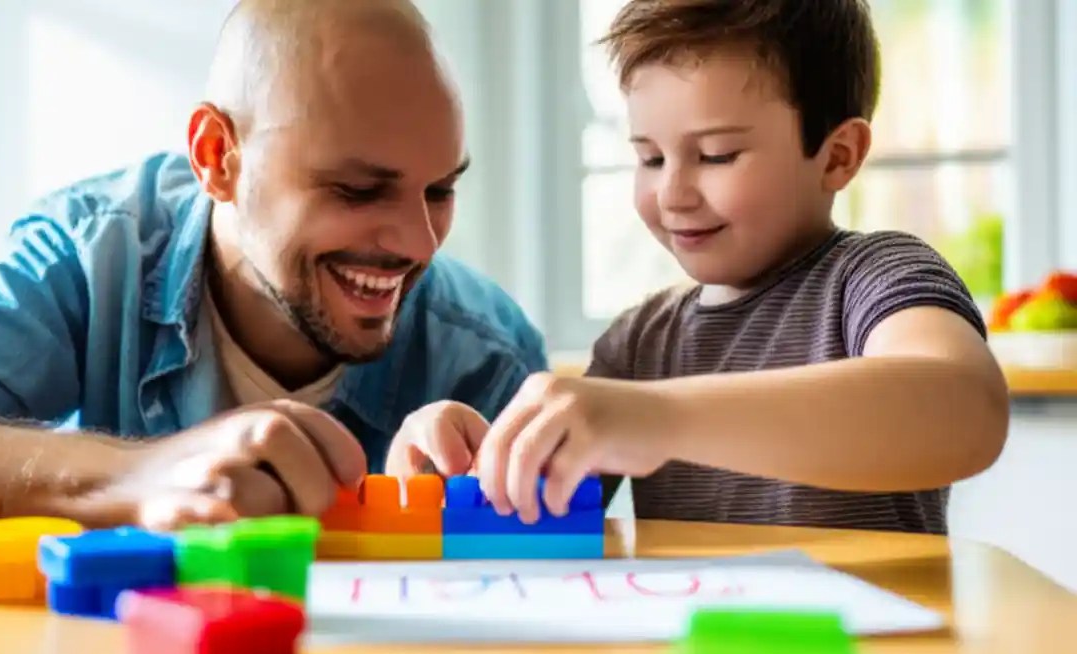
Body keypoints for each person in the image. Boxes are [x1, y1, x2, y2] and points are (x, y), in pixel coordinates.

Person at [0, 0, 545, 531]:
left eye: (441, 189)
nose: (418, 243)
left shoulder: (485, 354)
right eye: (355, 189)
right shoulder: (95, 257)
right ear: (218, 159)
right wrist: (138, 474)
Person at [385, 0, 1010, 534]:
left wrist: (660, 418)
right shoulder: (638, 343)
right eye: (651, 158)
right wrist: (470, 463)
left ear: (837, 155)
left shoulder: (875, 277)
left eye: (715, 154)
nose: (673, 193)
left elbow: (966, 411)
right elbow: (532, 514)